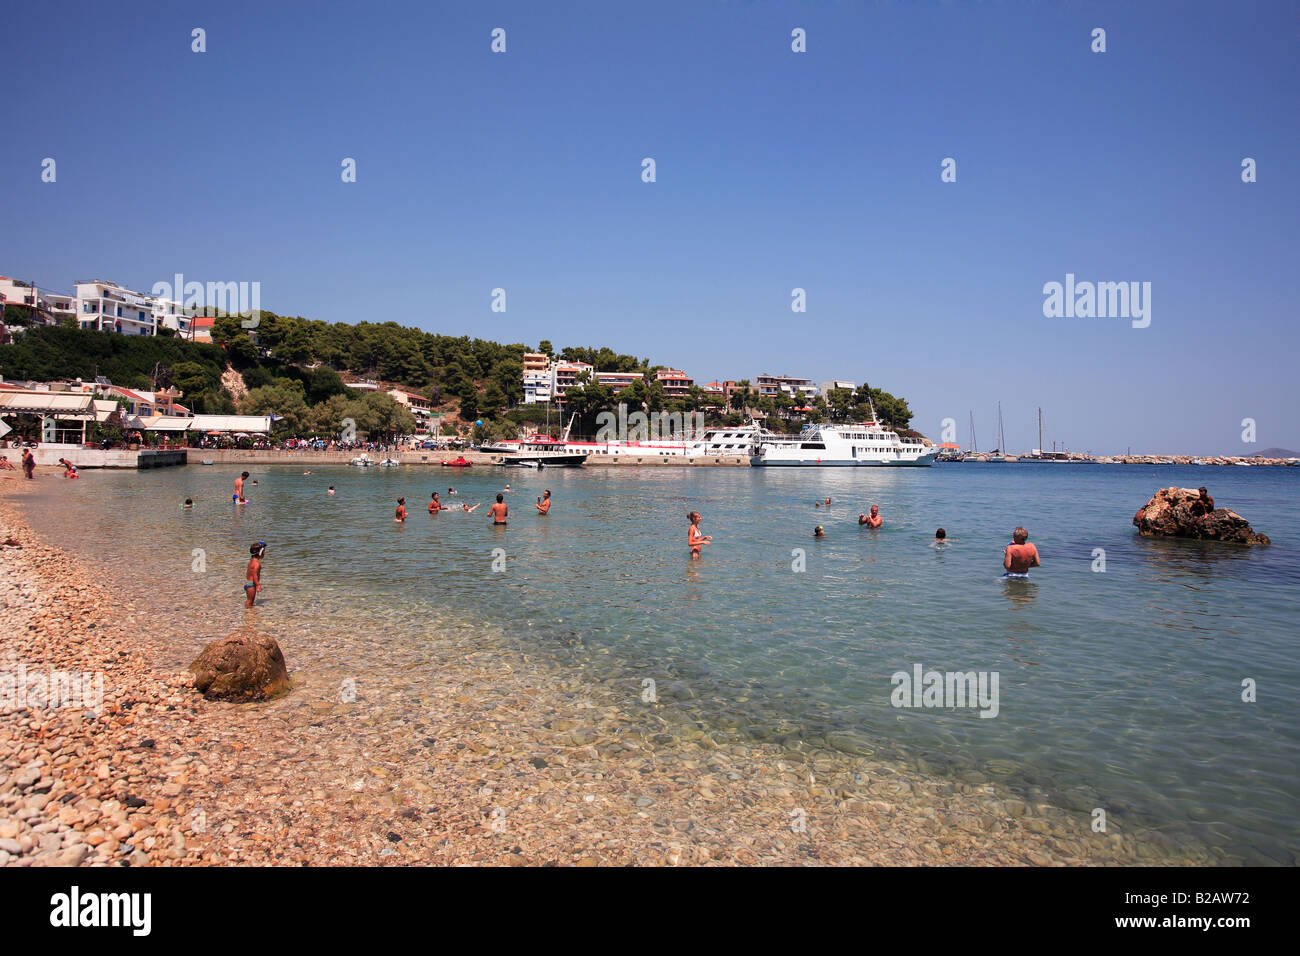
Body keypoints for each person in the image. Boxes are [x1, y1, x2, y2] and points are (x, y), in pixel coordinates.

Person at [244, 542, 265, 608]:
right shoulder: (257, 564)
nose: (264, 554)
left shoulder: (252, 561)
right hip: (251, 585)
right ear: (260, 553)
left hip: (249, 583)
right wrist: (258, 585)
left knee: (251, 601)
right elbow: (254, 575)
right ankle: (247, 613)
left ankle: (250, 612)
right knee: (250, 601)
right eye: (264, 552)